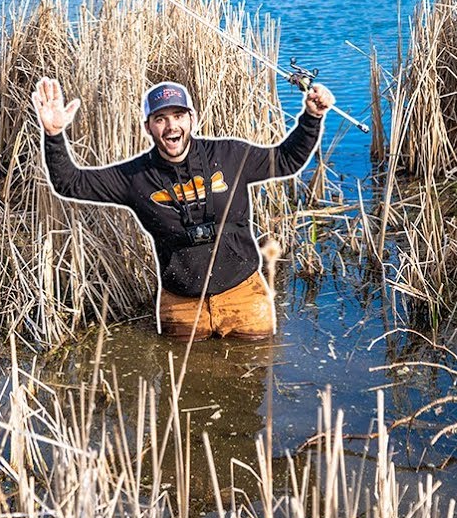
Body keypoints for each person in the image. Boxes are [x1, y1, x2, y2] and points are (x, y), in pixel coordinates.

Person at [32, 76, 334, 340]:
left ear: (192, 119)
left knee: (255, 383)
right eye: (161, 119)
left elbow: (286, 159)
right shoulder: (134, 178)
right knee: (182, 396)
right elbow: (70, 183)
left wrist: (311, 118)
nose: (171, 126)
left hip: (244, 296)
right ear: (148, 127)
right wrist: (54, 135)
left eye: (178, 115)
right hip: (181, 306)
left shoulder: (230, 155)